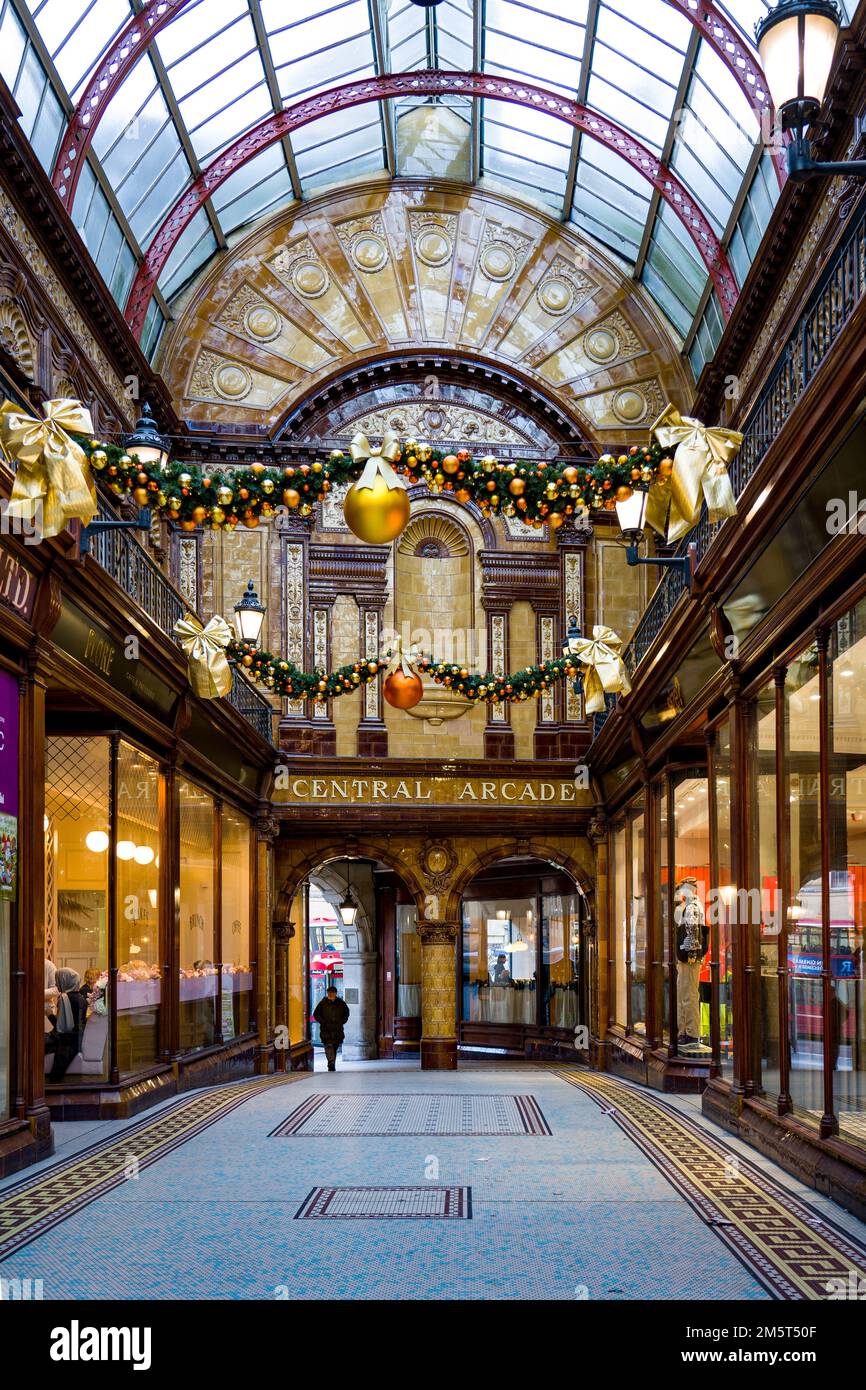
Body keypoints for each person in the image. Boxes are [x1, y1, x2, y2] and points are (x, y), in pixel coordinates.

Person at [45, 968, 89, 1082]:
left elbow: (62, 1028)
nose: (56, 984)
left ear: (64, 980)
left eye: (57, 980)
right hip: (76, 1040)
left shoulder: (66, 998)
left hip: (67, 1040)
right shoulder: (80, 998)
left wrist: (49, 1014)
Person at [313, 985, 350, 1071]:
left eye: (332, 993)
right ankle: (331, 1063)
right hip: (326, 1029)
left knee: (334, 1047)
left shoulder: (341, 1003)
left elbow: (346, 1013)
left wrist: (342, 1021)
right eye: (329, 992)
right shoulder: (323, 1003)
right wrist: (323, 1022)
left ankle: (332, 1062)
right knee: (328, 1046)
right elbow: (316, 1014)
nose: (330, 994)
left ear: (335, 993)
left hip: (337, 1029)